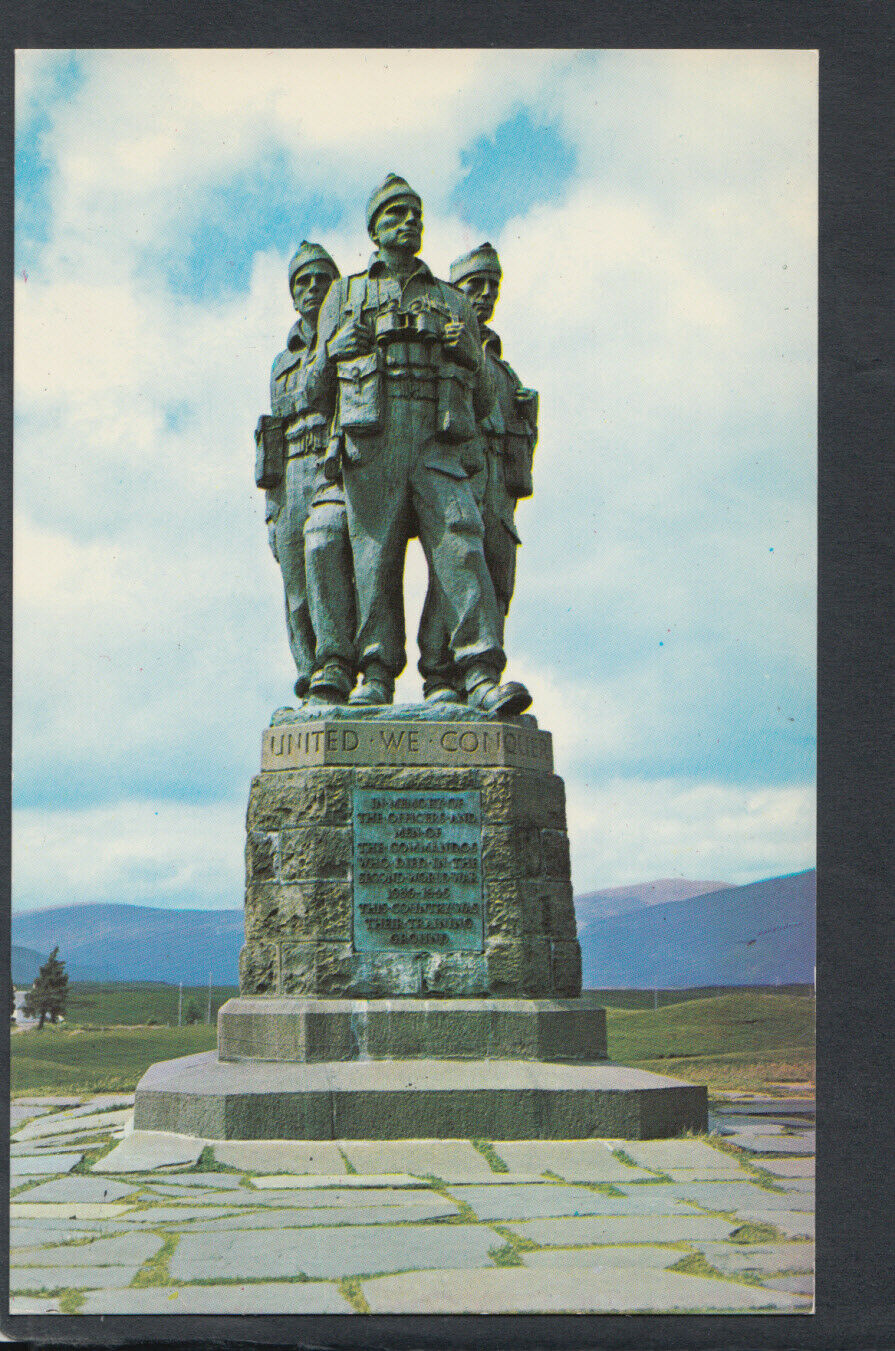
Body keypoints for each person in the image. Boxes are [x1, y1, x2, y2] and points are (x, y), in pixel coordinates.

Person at [303, 174, 531, 715]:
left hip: (437, 441)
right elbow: (314, 394)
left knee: (461, 544)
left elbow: (483, 404)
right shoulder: (346, 294)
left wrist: (470, 356)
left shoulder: (452, 300)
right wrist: (333, 349)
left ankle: (476, 673)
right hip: (373, 439)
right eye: (394, 215)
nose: (408, 224)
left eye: (415, 216)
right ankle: (375, 674)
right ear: (374, 230)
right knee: (372, 556)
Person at [416, 242, 538, 702]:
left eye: (492, 286)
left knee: (497, 579)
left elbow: (517, 445)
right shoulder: (439, 349)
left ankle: (479, 689)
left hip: (498, 492)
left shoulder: (506, 372)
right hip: (456, 476)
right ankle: (442, 675)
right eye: (474, 286)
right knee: (455, 572)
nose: (485, 294)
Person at [255, 241, 354, 701]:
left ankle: (336, 664)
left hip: (336, 464)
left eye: (321, 279)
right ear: (293, 296)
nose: (312, 288)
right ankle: (309, 669)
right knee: (295, 583)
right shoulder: (281, 362)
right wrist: (273, 511)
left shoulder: (349, 338)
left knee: (326, 559)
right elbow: (271, 434)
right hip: (291, 472)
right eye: (303, 281)